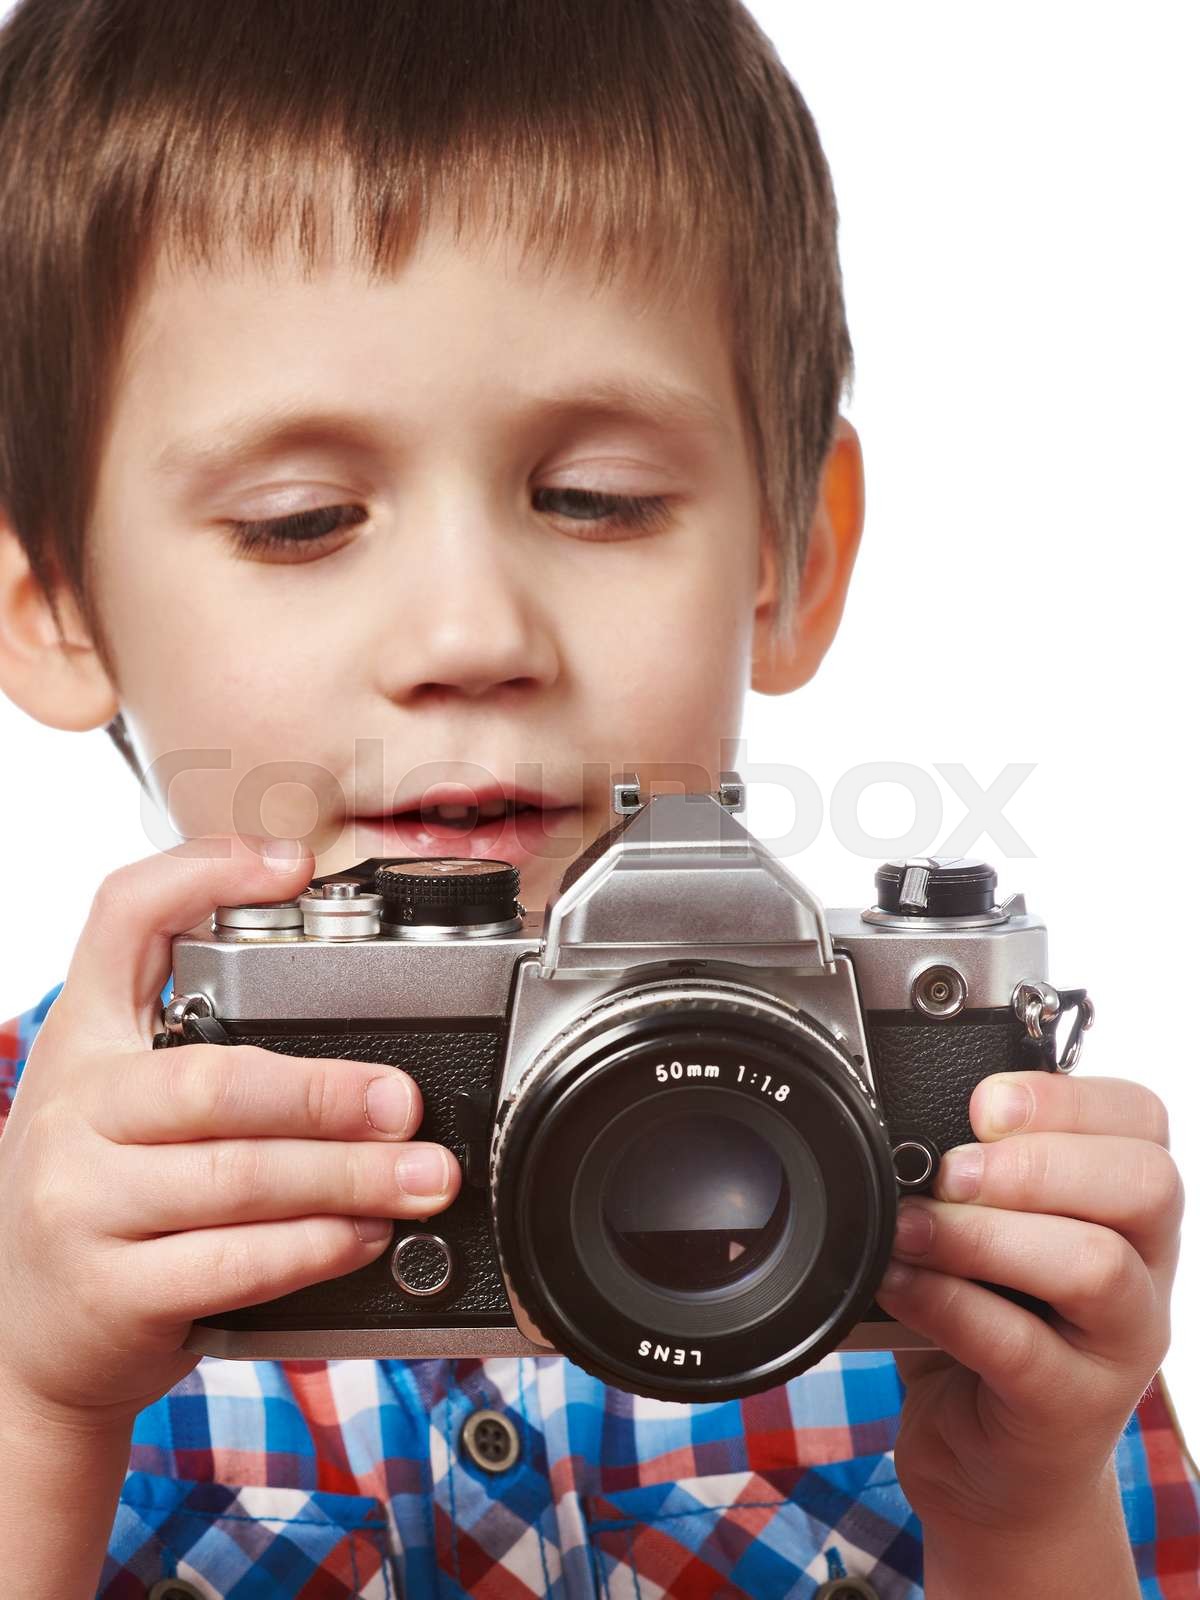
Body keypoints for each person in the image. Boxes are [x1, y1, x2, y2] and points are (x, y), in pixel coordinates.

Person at [0, 0, 1196, 1595]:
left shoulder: (929, 1209)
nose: (471, 633)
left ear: (795, 560)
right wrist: (32, 1413)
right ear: (49, 603)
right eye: (300, 521)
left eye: (597, 500)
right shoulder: (30, 1208)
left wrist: (1026, 1503)